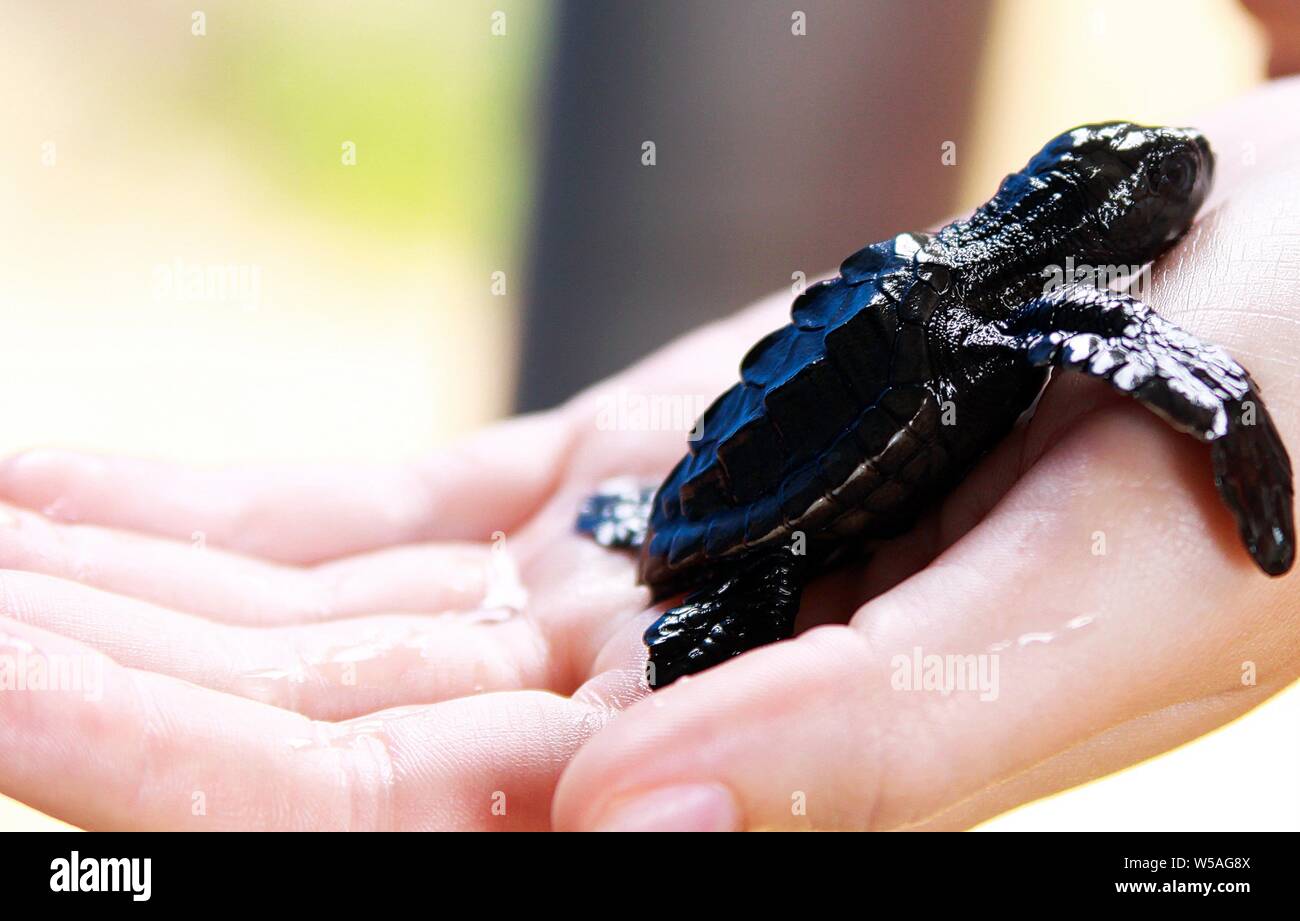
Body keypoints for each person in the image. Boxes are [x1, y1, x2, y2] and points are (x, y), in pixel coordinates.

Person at [1, 77, 1298, 832]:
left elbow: (1184, 356)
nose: (1186, 188)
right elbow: (1189, 375)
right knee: (750, 596)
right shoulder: (1028, 304)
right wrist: (1241, 429)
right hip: (754, 523)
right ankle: (700, 581)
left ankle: (674, 541)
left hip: (727, 476)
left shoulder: (1005, 285)